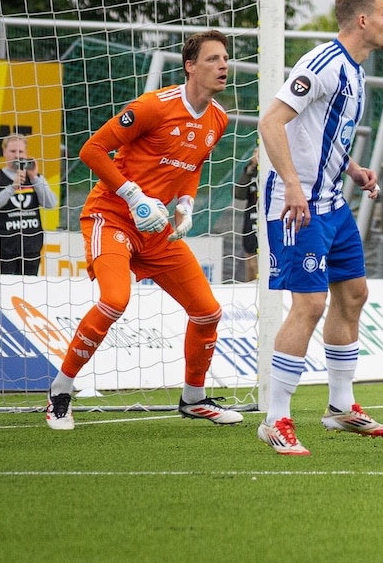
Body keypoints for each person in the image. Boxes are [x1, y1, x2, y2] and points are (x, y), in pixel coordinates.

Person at [44, 31, 242, 432]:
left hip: (157, 231)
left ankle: (193, 398)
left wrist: (186, 205)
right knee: (115, 300)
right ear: (190, 66)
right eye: (212, 59)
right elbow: (91, 150)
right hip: (112, 217)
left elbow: (193, 165)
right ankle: (60, 393)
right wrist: (133, 195)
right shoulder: (153, 106)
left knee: (208, 312)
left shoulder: (218, 119)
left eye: (225, 58)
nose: (223, 65)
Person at [256, 0, 383, 455]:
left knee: (354, 294)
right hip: (296, 205)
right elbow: (270, 122)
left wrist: (354, 168)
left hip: (333, 202)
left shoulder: (355, 72)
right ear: (362, 21)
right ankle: (276, 418)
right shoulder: (322, 63)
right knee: (309, 305)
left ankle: (340, 407)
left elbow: (323, 134)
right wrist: (295, 186)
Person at [0, 134, 56, 276]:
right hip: (3, 246)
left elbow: (51, 204)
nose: (17, 155)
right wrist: (12, 187)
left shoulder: (35, 178)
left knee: (29, 291)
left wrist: (34, 177)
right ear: (4, 152)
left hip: (31, 245)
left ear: (26, 153)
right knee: (3, 292)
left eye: (20, 152)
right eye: (13, 151)